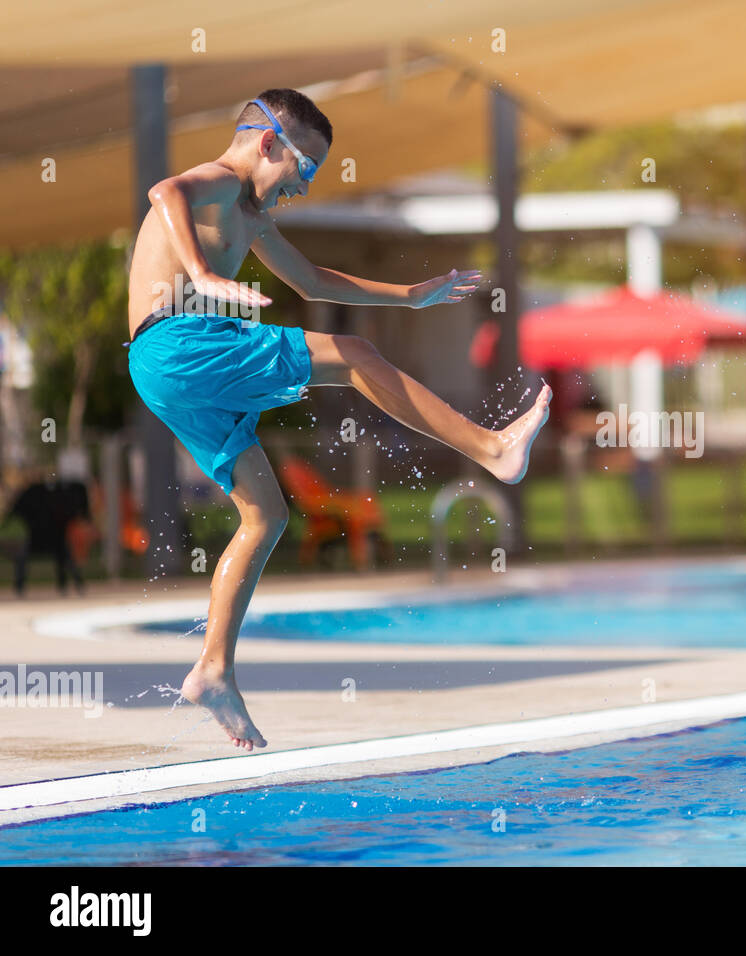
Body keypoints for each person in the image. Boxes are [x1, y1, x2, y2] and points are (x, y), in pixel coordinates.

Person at [127, 88, 551, 751]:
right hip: (179, 342)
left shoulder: (251, 216)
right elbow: (163, 191)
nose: (303, 186)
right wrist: (206, 274)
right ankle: (492, 448)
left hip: (168, 371)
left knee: (265, 515)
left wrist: (411, 297)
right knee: (354, 355)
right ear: (268, 143)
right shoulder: (215, 184)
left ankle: (214, 668)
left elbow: (314, 281)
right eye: (305, 168)